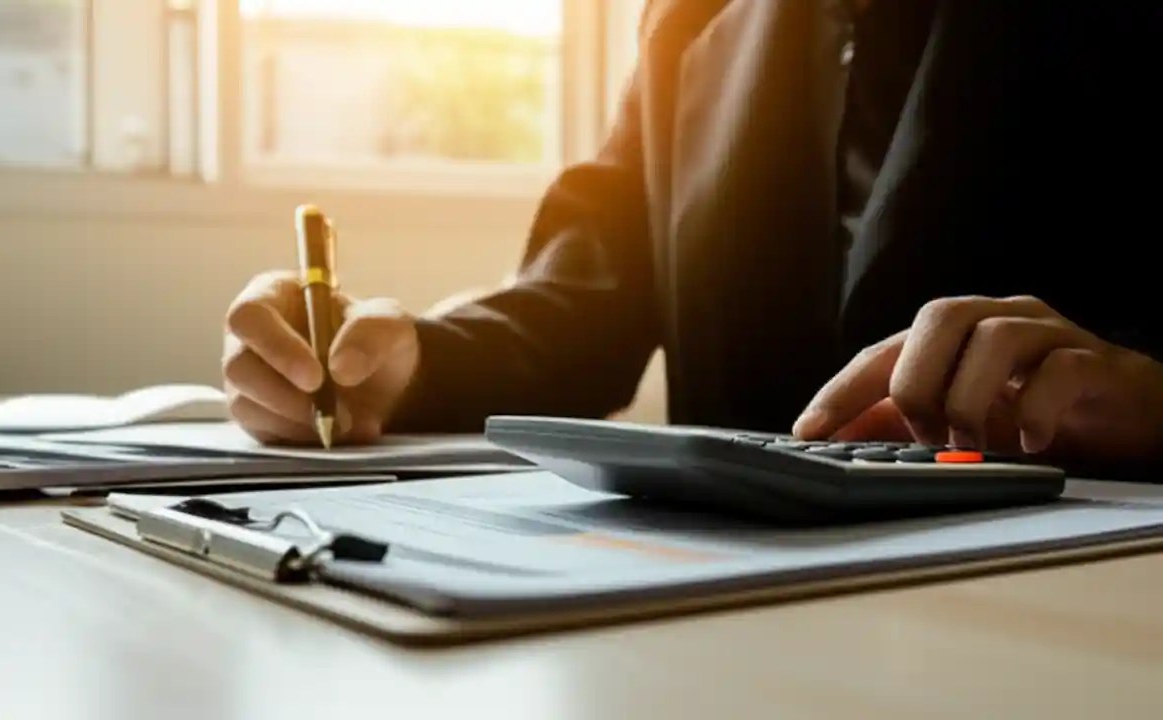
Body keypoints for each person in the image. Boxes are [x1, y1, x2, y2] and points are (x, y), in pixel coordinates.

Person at [221, 0, 1163, 478]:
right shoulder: (691, 15)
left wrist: (1154, 404)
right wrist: (408, 360)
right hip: (721, 619)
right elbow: (591, 291)